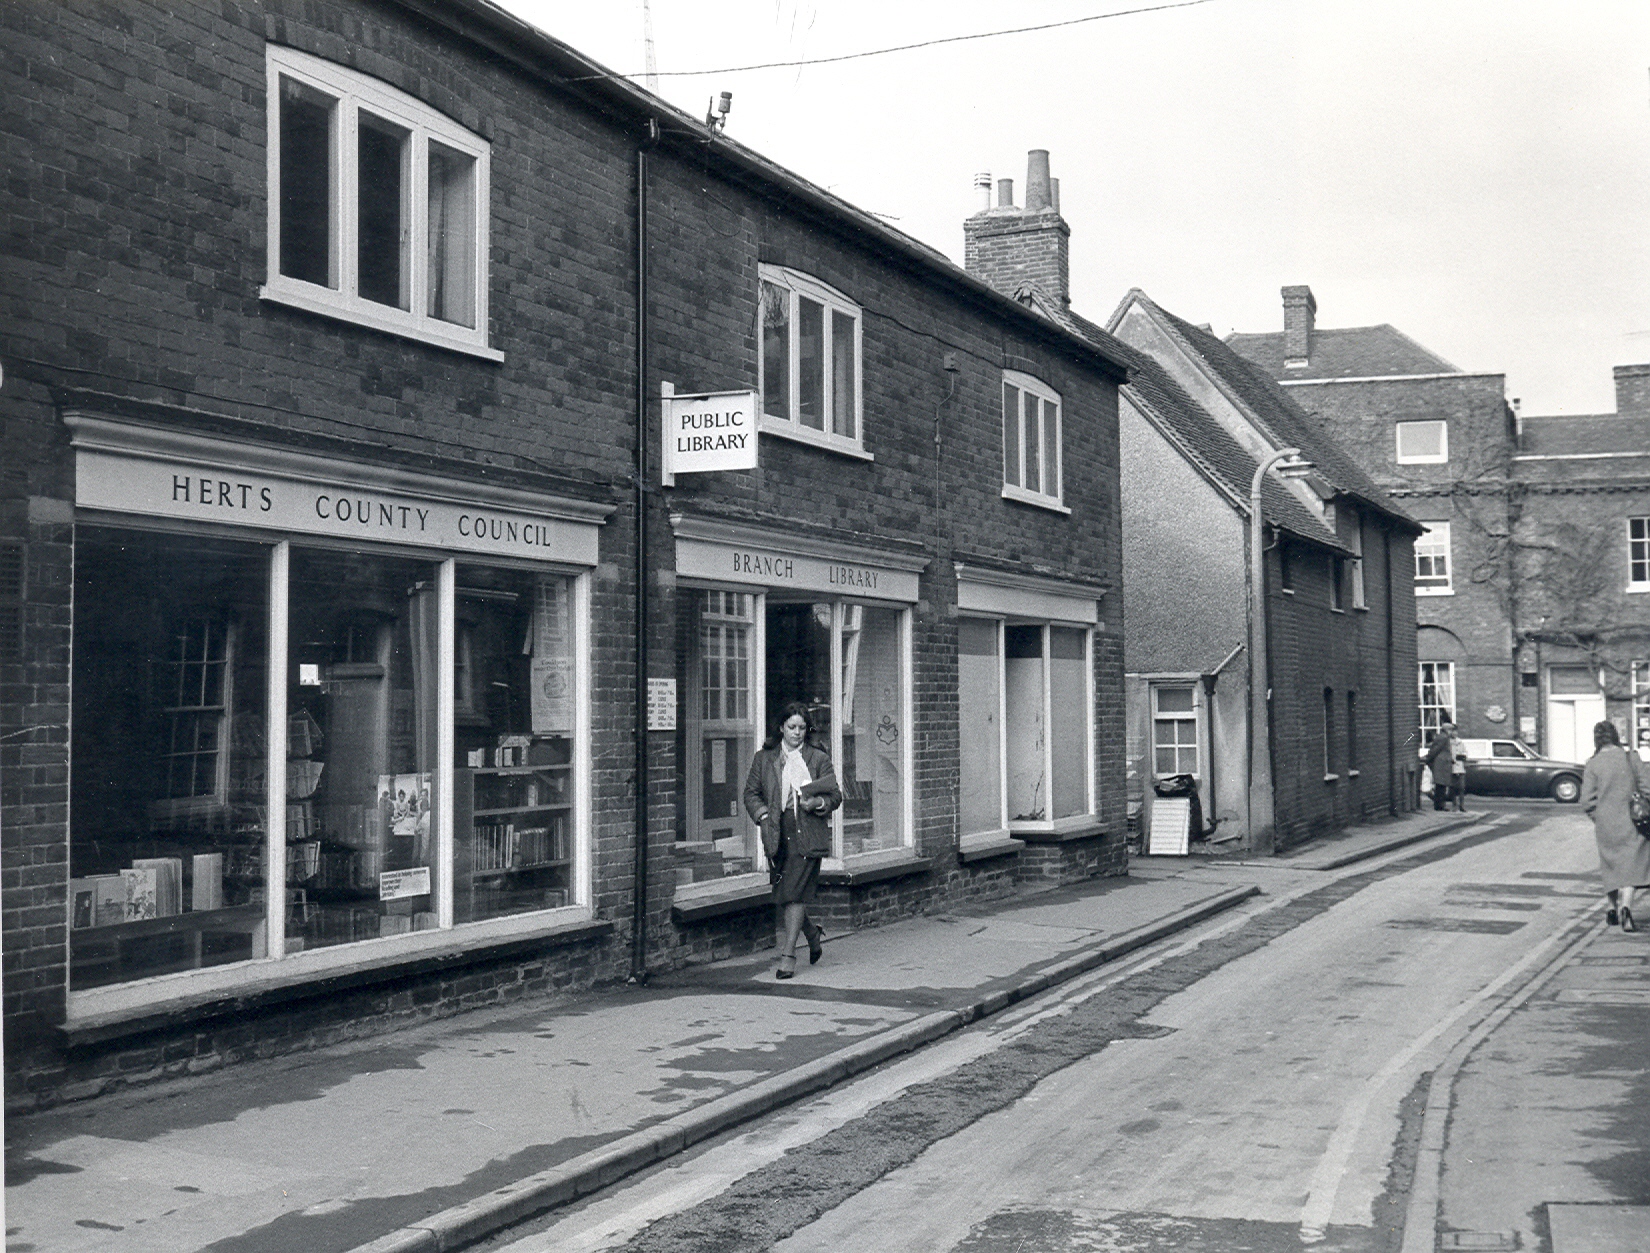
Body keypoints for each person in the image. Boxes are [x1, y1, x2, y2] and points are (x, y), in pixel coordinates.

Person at [743, 702, 842, 979]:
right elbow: (751, 793)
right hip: (776, 831)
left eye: (801, 728)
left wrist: (819, 803)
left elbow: (835, 795)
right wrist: (762, 816)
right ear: (781, 728)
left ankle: (788, 955)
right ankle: (811, 933)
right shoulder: (764, 759)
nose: (797, 733)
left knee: (794, 892)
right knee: (786, 893)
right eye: (791, 727)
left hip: (807, 831)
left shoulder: (817, 758)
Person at [1581, 720, 1650, 933]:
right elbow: (1647, 788)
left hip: (1605, 822)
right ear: (1616, 736)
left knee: (1610, 864)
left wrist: (1598, 817)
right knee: (1632, 862)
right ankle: (1626, 908)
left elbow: (1586, 801)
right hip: (1632, 820)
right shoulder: (1631, 757)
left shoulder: (1592, 763)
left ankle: (1611, 908)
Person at [1424, 723, 1461, 812]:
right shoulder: (1443, 738)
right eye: (1452, 730)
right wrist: (1428, 759)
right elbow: (1435, 750)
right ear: (1448, 730)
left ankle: (1440, 805)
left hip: (1443, 765)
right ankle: (1439, 806)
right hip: (1441, 765)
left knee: (1442, 786)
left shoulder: (1445, 737)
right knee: (1440, 786)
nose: (1453, 732)